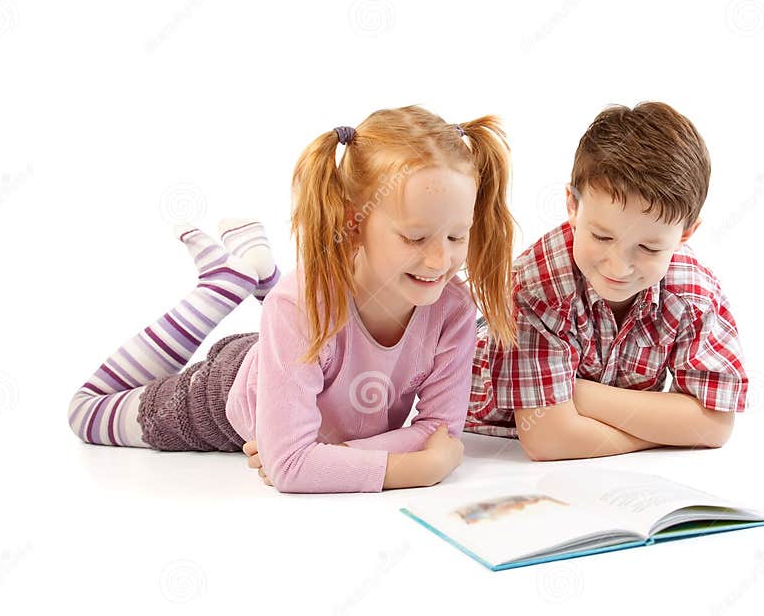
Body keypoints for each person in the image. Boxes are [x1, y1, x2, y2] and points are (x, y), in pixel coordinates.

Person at [68, 105, 517, 493]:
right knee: (86, 410)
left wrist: (326, 458)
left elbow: (441, 433)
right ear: (354, 222)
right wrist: (419, 467)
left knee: (297, 324)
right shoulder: (298, 305)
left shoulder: (454, 309)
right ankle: (221, 285)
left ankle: (259, 272)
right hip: (226, 395)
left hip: (302, 369)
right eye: (416, 237)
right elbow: (295, 468)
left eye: (458, 235)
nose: (441, 260)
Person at [467, 102, 748, 460]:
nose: (619, 266)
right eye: (601, 237)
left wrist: (579, 394)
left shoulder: (693, 295)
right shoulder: (538, 289)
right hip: (486, 434)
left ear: (685, 234)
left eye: (647, 247)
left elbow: (715, 425)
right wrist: (663, 433)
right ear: (572, 204)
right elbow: (548, 439)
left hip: (582, 426)